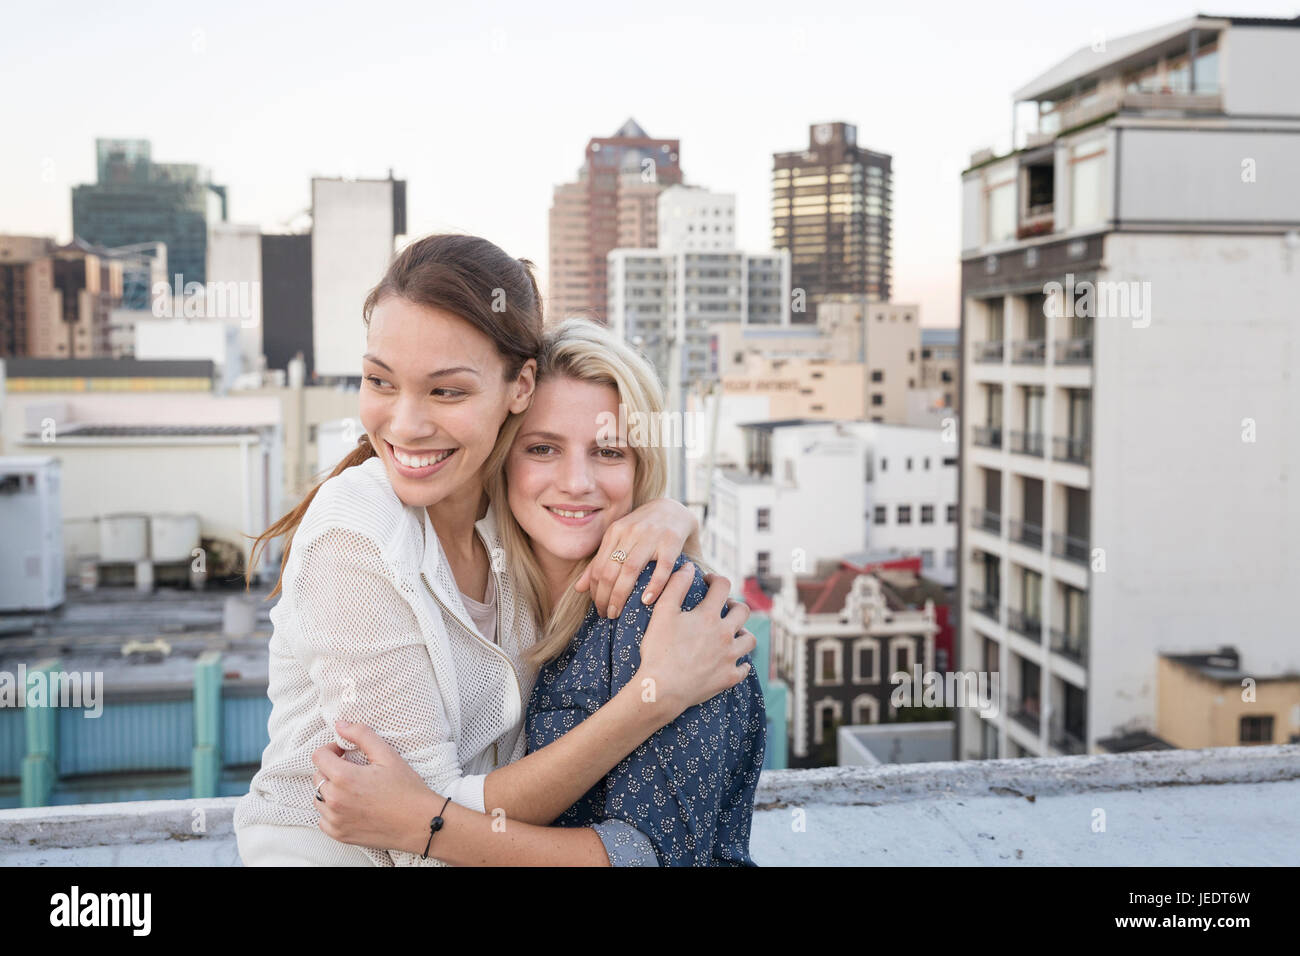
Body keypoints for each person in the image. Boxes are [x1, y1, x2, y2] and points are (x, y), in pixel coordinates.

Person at [233, 234, 754, 866]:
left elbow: (427, 818)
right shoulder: (359, 534)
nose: (405, 424)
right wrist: (655, 695)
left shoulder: (515, 530)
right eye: (379, 381)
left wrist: (670, 515)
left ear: (517, 388)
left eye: (446, 390)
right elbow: (416, 826)